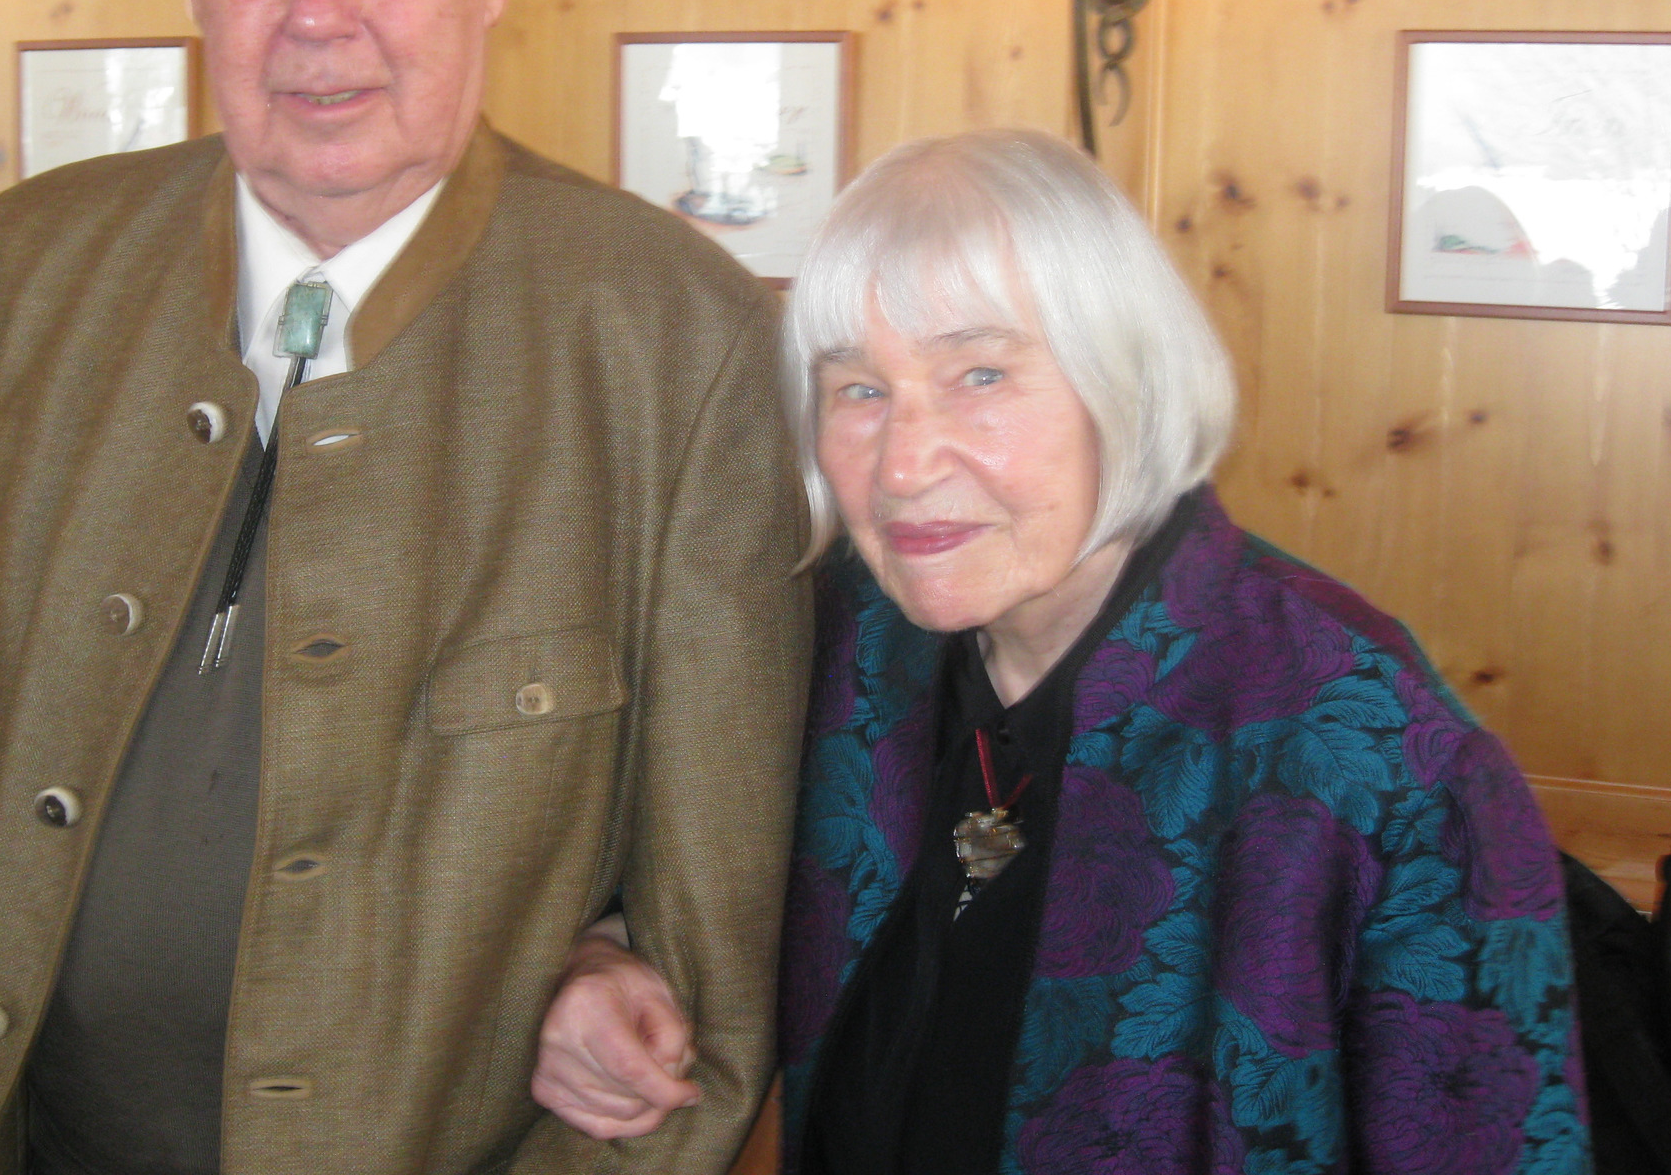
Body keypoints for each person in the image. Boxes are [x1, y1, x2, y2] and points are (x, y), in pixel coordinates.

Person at [0, 0, 811, 1175]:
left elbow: (705, 999)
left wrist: (608, 957)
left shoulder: (677, 339)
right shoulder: (31, 272)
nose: (317, 11)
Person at [532, 128, 1589, 1174]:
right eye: (859, 389)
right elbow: (693, 879)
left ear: (1124, 383)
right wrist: (603, 960)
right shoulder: (838, 650)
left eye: (980, 375)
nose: (901, 466)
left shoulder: (1378, 756)